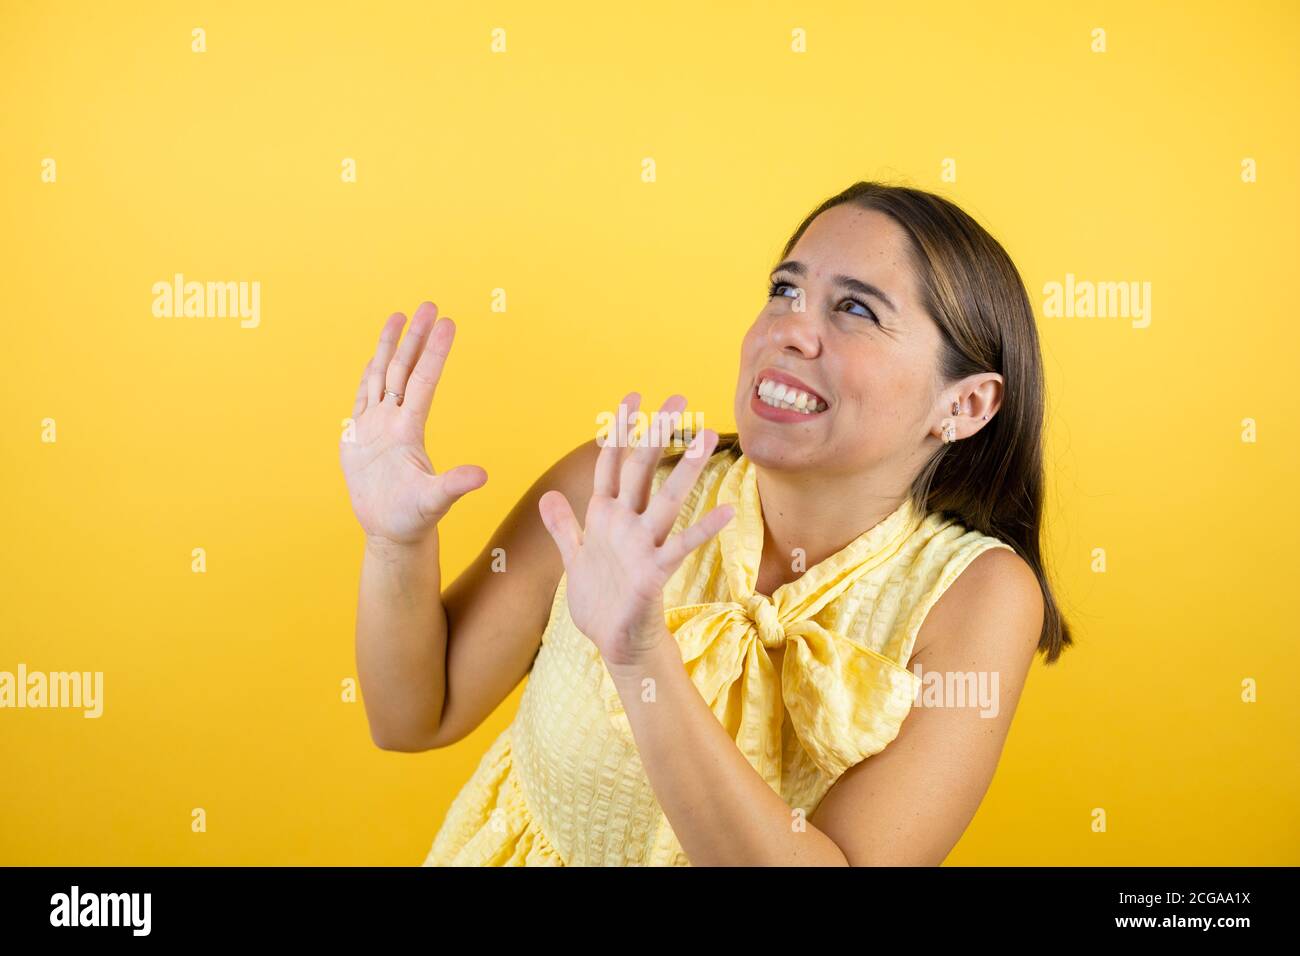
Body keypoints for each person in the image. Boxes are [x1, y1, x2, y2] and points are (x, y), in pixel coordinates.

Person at [340, 180, 1071, 866]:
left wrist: (639, 655)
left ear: (967, 405)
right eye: (785, 291)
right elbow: (413, 718)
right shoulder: (615, 483)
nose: (789, 330)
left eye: (854, 309)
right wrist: (395, 544)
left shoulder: (980, 596)